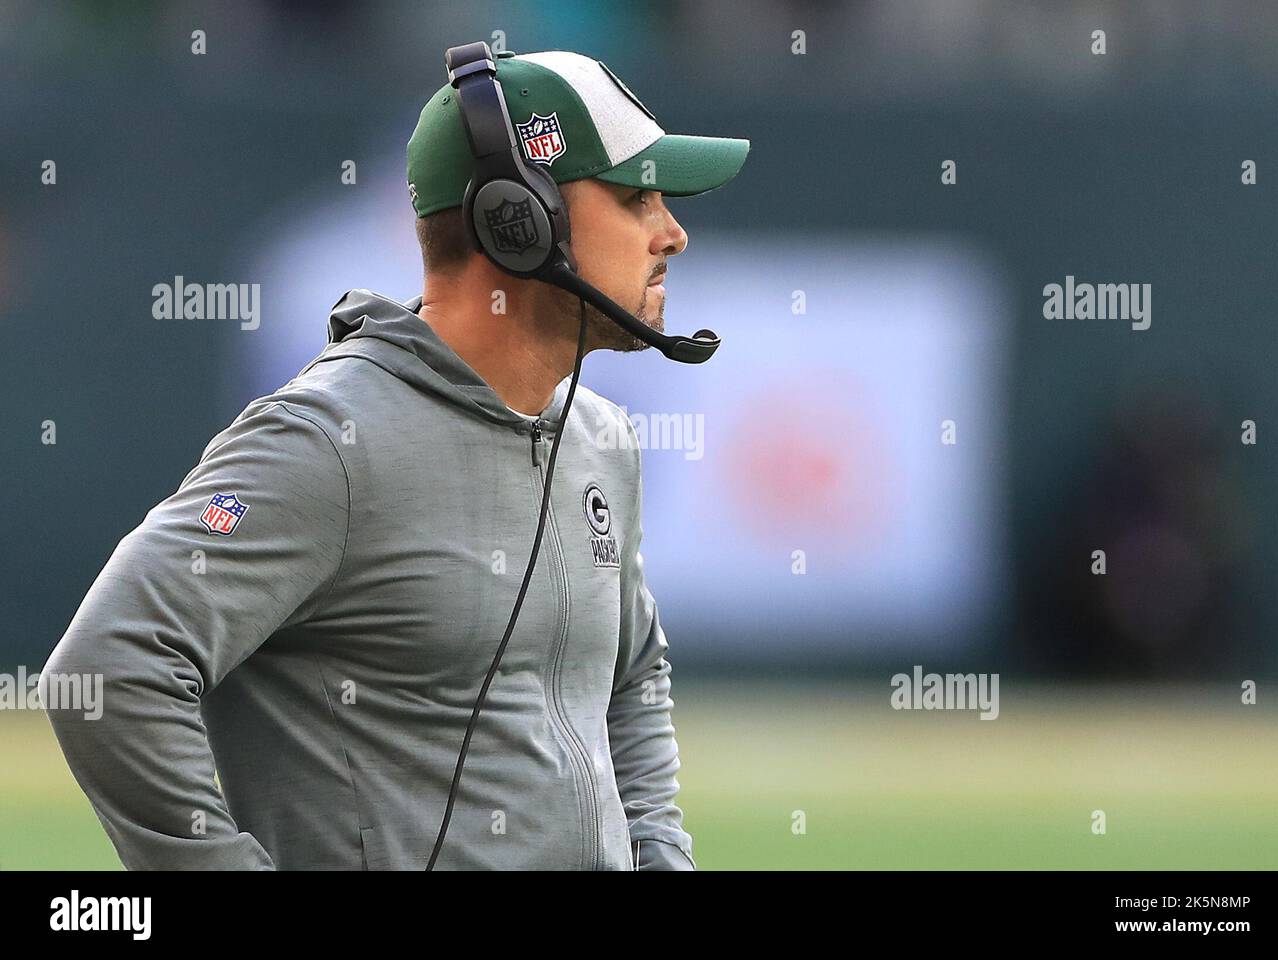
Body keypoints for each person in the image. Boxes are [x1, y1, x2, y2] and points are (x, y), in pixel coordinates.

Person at [41, 47, 749, 870]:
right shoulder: (327, 445)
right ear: (518, 221)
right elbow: (109, 670)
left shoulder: (600, 438)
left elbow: (631, 680)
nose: (673, 233)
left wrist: (659, 852)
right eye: (636, 199)